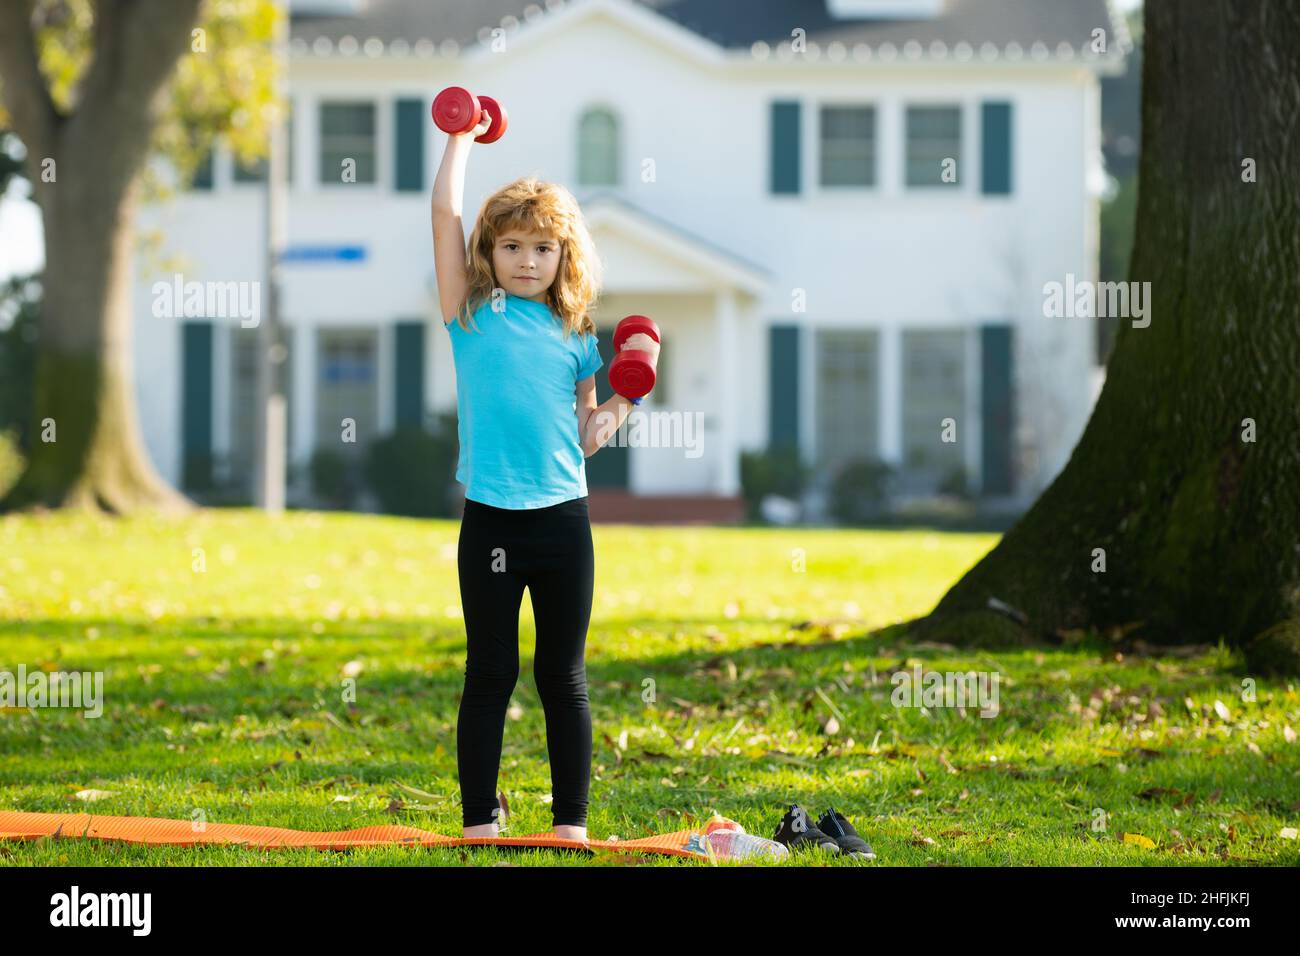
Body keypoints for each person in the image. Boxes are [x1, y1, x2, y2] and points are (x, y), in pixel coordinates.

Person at [431, 109, 659, 842]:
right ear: (489, 254)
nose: (527, 260)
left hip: (564, 520)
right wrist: (461, 139)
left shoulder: (574, 335)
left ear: (564, 257)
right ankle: (478, 823)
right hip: (492, 519)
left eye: (543, 248)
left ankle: (570, 826)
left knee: (563, 679)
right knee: (489, 673)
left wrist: (622, 401)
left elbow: (588, 431)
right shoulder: (469, 314)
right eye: (511, 246)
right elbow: (443, 212)